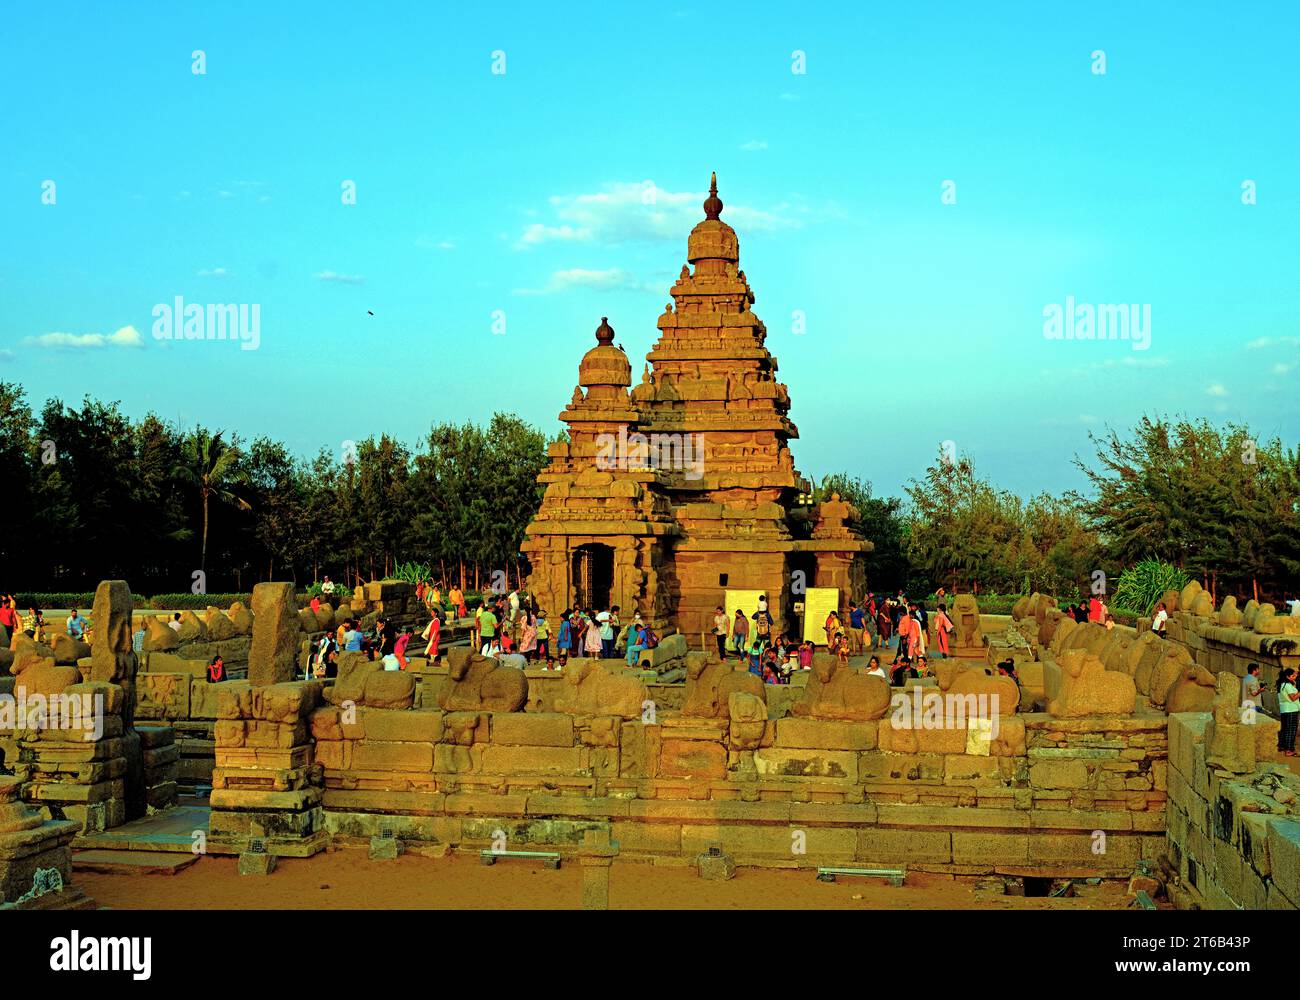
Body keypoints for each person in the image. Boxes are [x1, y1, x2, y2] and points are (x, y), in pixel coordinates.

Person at [1278, 667, 1299, 756]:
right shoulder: (1287, 685)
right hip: (1291, 709)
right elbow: (1293, 698)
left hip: (1285, 709)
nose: (1294, 677)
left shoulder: (1282, 684)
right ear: (1287, 676)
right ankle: (1289, 750)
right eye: (1293, 676)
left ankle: (1283, 746)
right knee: (1291, 730)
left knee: (1286, 729)